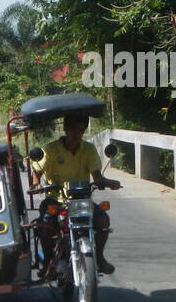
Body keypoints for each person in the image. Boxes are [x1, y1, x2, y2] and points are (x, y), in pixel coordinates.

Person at [32, 112, 121, 273]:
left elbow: (97, 176)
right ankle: (48, 263)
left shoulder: (88, 149)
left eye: (80, 129)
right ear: (65, 128)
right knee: (45, 226)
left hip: (81, 200)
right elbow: (36, 172)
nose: (76, 133)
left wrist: (108, 183)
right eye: (72, 129)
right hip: (56, 199)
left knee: (103, 221)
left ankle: (99, 257)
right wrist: (37, 184)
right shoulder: (50, 150)